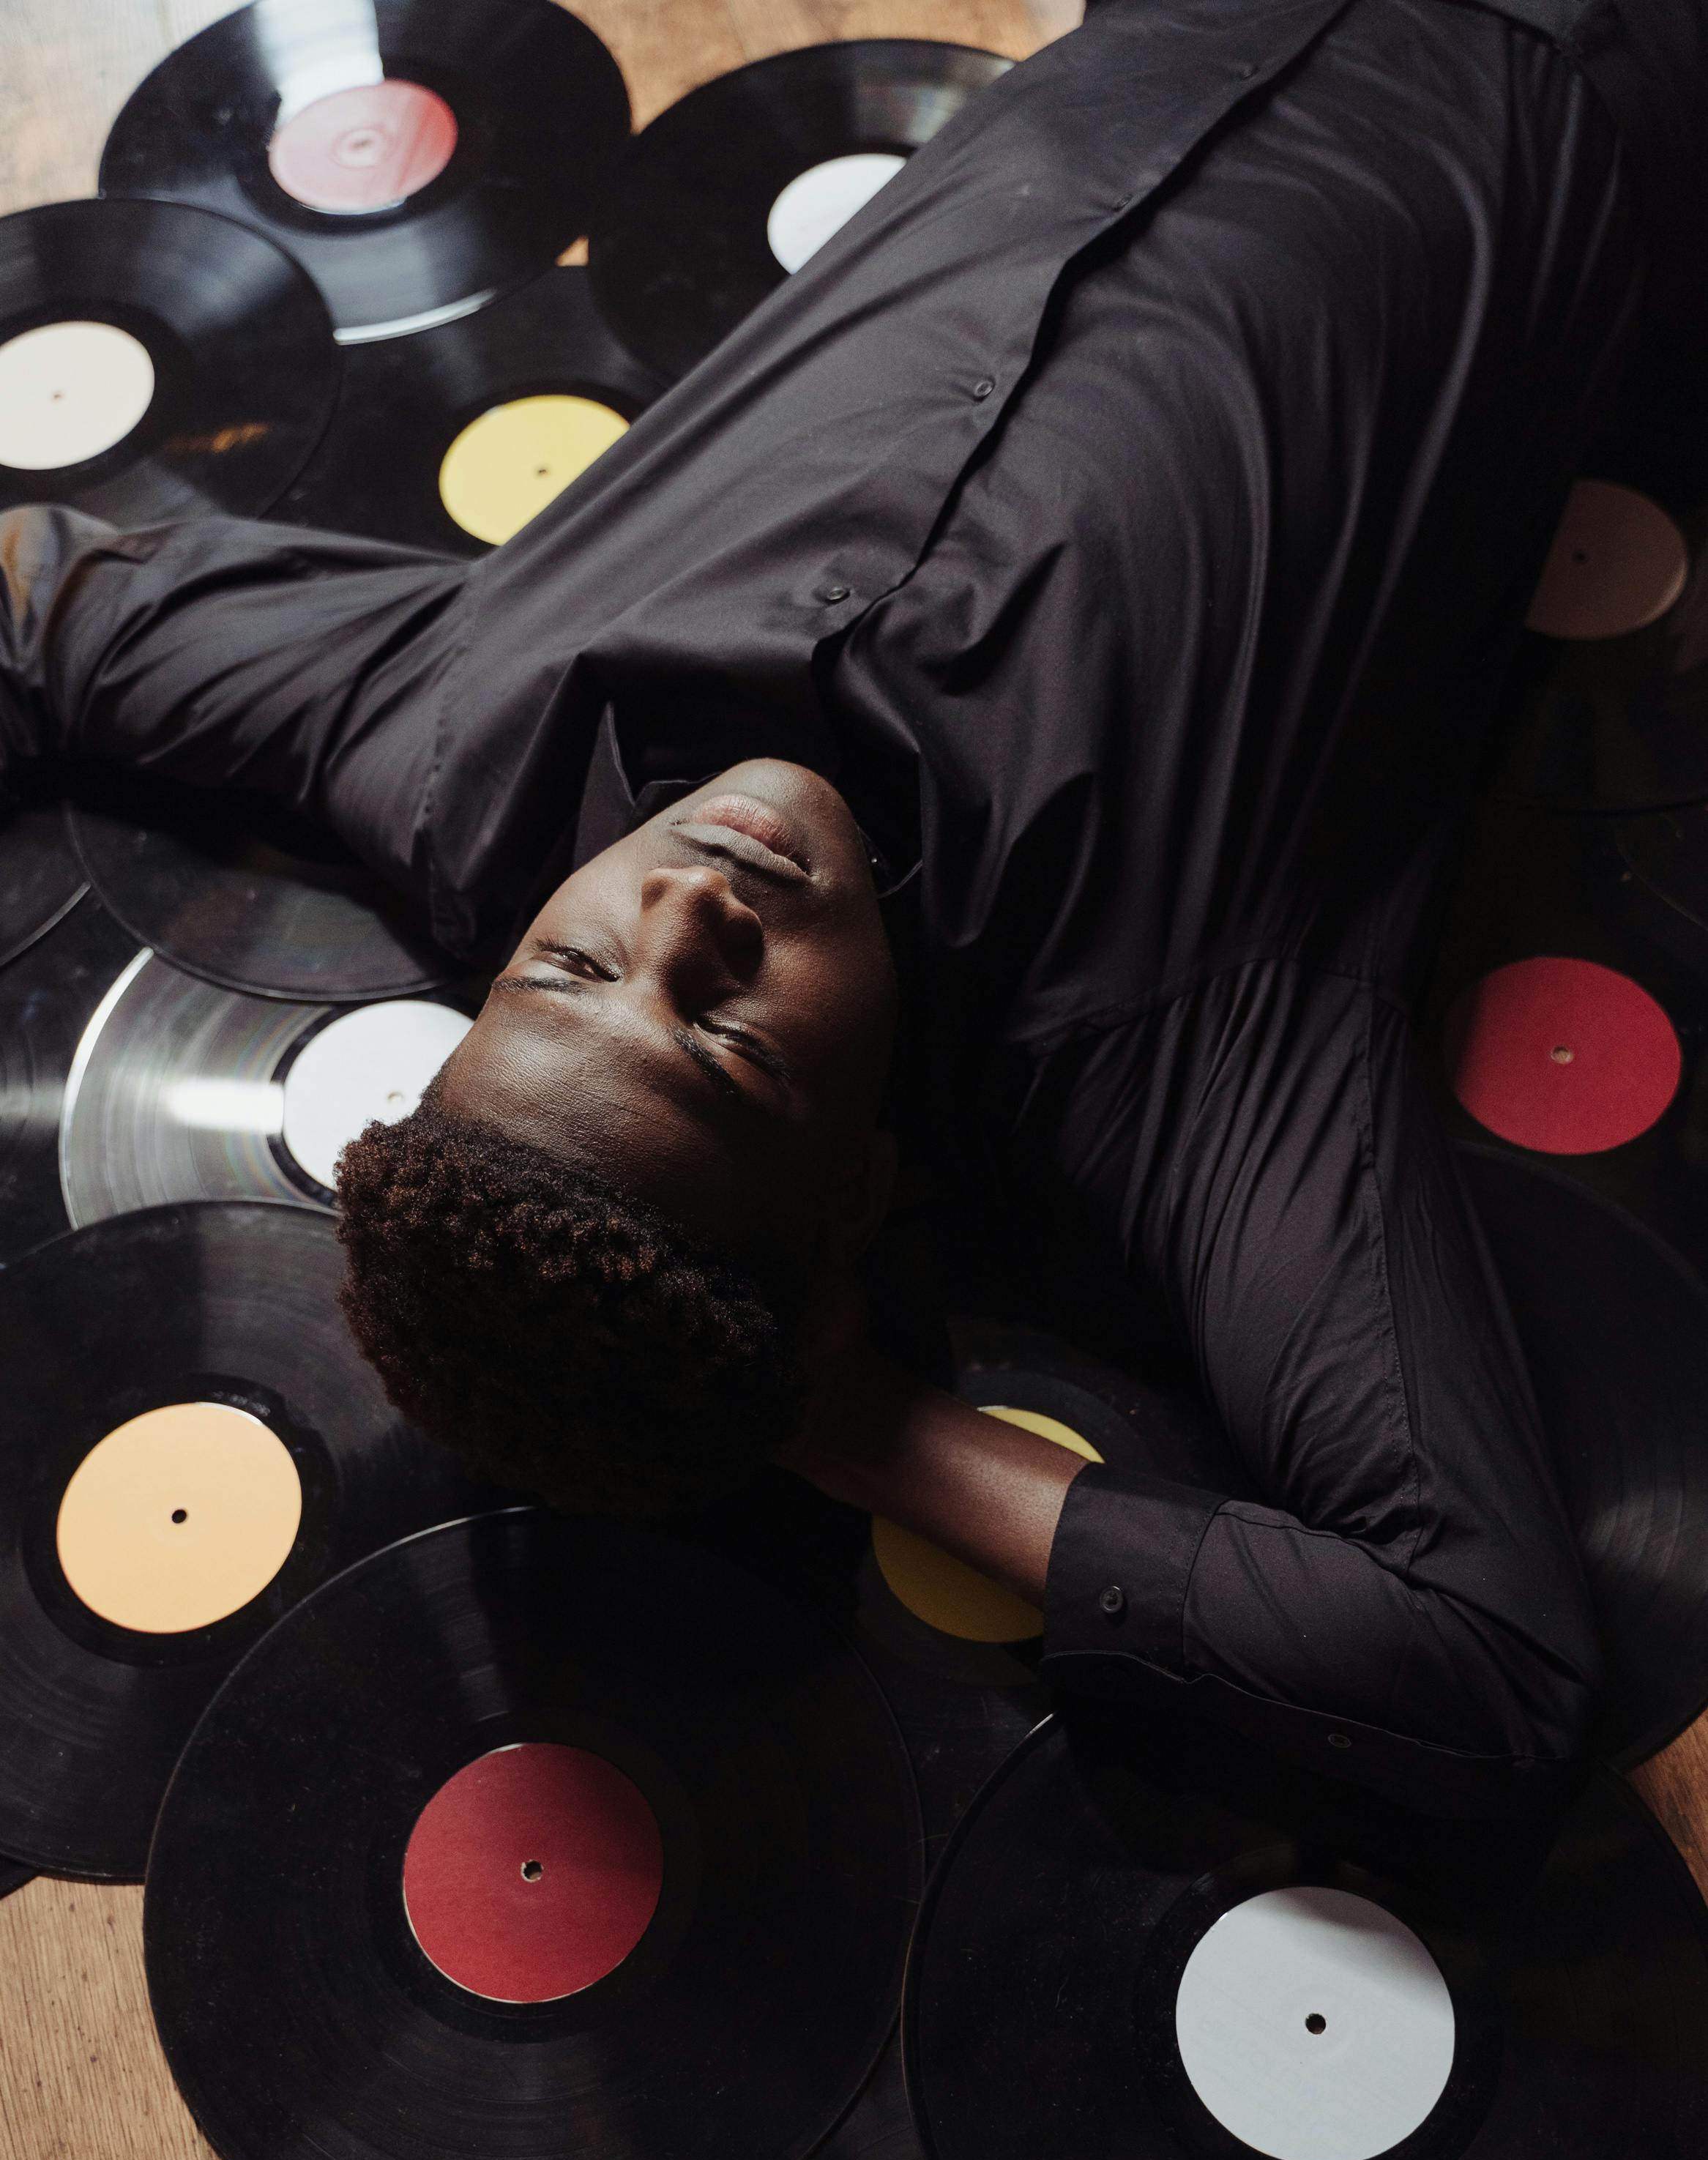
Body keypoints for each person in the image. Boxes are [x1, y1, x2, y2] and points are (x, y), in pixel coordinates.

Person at [3, 0, 1703, 1820]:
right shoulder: (1176, 1047)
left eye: (570, 963)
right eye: (729, 1043)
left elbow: (41, 612)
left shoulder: (447, 728)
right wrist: (855, 1427)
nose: (685, 910)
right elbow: (1482, 1649)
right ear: (857, 1193)